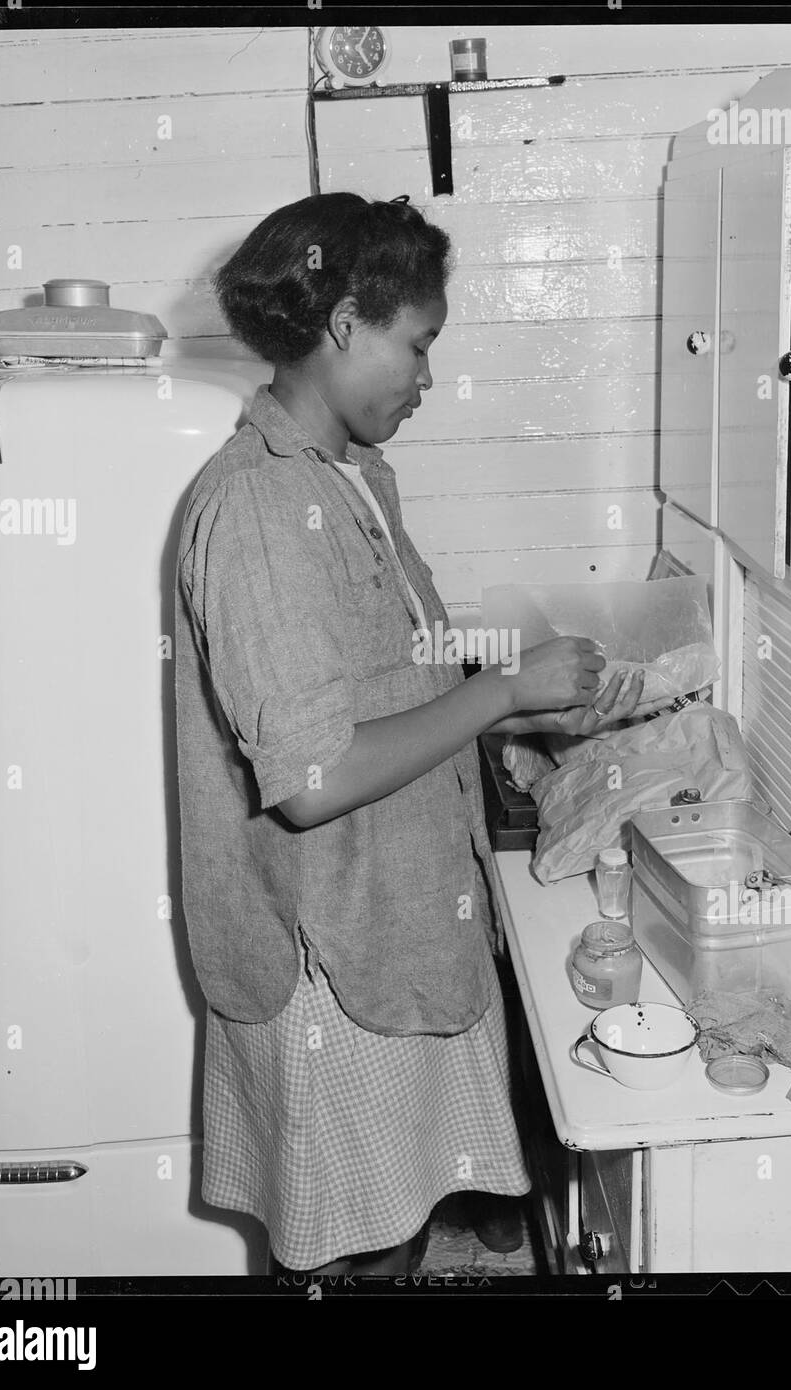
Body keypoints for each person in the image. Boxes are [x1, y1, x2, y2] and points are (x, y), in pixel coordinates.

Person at [174, 192, 670, 1275]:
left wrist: (517, 699)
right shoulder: (260, 510)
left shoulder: (352, 482)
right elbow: (308, 780)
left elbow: (384, 682)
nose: (428, 376)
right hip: (328, 966)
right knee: (353, 1252)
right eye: (418, 342)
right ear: (345, 322)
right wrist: (496, 696)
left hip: (383, 927)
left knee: (389, 1237)